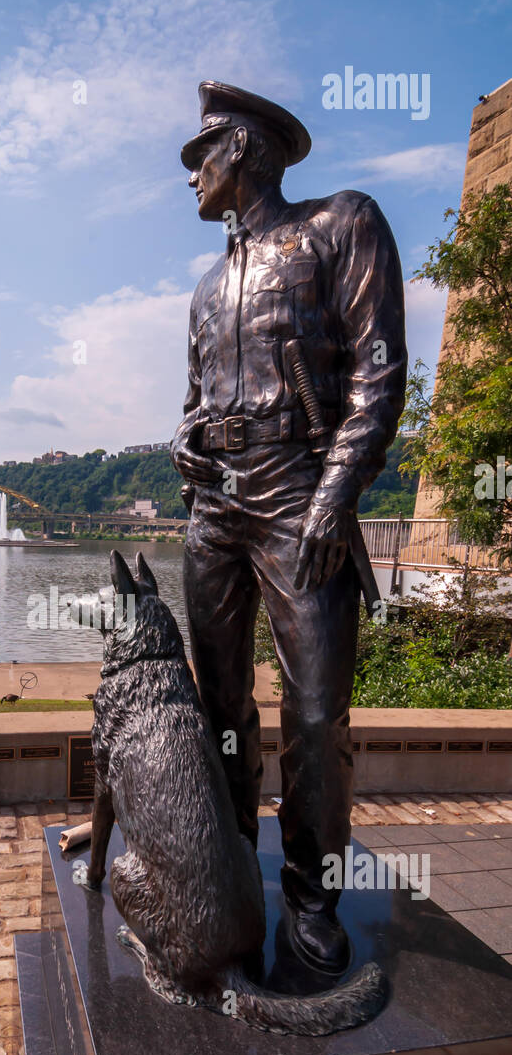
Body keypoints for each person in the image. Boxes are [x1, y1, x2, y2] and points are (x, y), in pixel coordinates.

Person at [172, 82, 406, 972]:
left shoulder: (339, 224)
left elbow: (375, 379)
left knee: (313, 712)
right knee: (219, 702)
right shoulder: (204, 288)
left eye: (200, 156)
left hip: (296, 490)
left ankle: (311, 896)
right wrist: (184, 445)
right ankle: (232, 863)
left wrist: (331, 499)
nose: (190, 175)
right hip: (214, 506)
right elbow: (193, 409)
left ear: (243, 150)